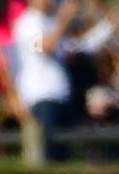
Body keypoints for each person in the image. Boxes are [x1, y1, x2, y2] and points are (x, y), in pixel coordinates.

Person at [11, 0, 77, 155]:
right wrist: (64, 20)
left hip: (61, 96)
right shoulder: (25, 23)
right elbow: (43, 46)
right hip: (42, 97)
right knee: (46, 153)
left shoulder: (50, 21)